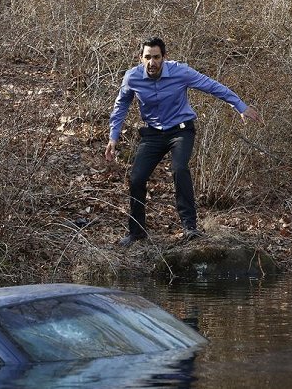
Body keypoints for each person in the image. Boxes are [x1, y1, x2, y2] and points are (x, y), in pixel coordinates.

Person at [104, 37, 262, 247]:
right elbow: (120, 106)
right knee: (136, 178)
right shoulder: (132, 78)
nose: (152, 63)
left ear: (164, 57)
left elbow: (212, 86)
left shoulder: (180, 72)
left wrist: (240, 106)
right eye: (147, 57)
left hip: (181, 131)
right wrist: (113, 138)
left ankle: (190, 227)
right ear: (140, 58)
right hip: (152, 134)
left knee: (179, 169)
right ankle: (137, 232)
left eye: (156, 57)